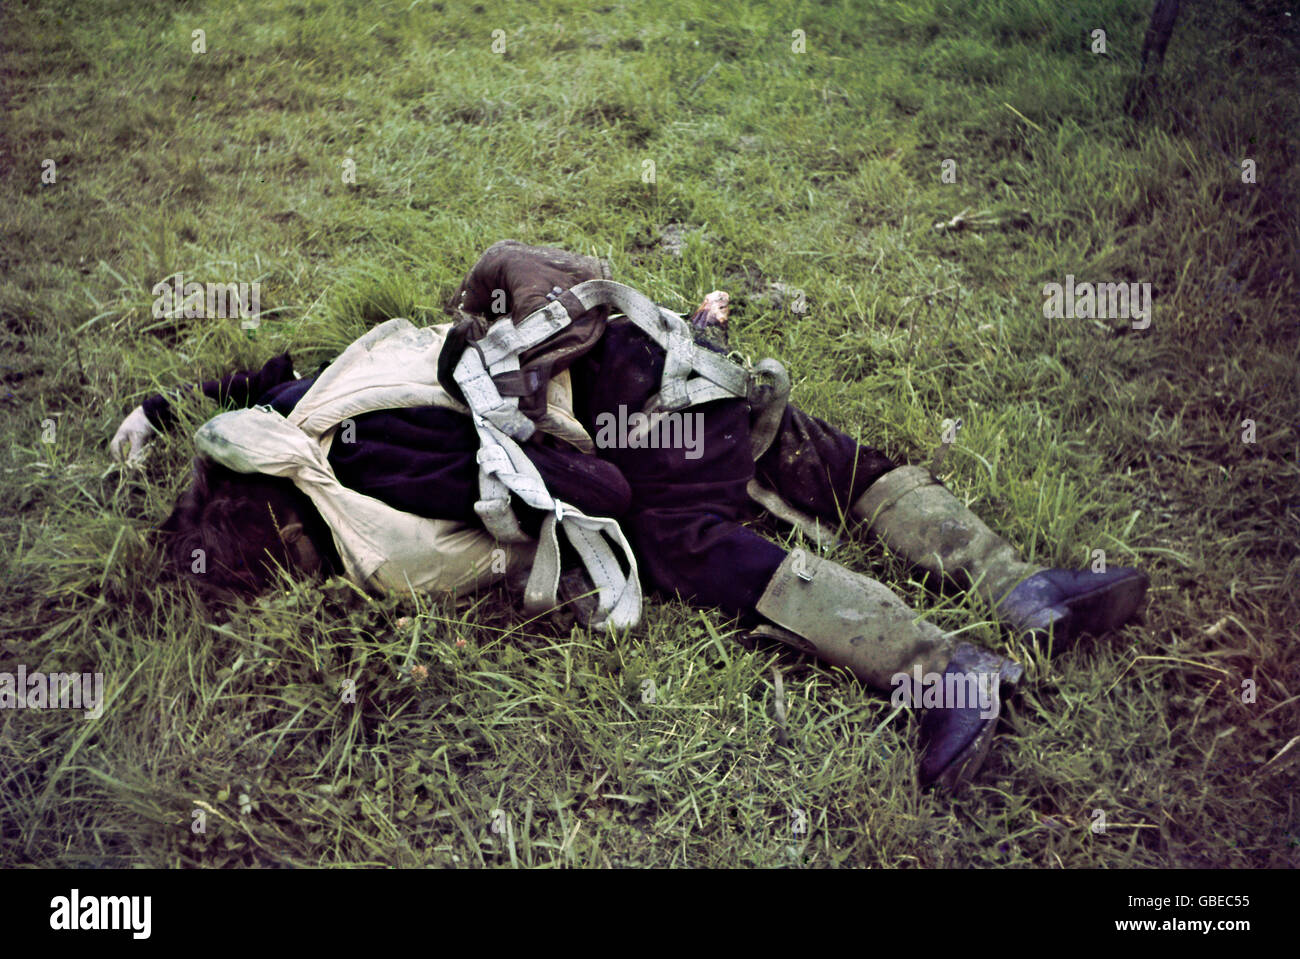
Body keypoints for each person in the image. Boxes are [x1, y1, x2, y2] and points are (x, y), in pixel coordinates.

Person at [113, 241, 1148, 790]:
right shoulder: (315, 397)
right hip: (663, 351)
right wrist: (157, 415)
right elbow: (259, 375)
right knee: (824, 456)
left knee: (687, 543)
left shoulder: (369, 472)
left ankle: (946, 671)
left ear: (287, 528)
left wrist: (548, 562)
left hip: (645, 415)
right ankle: (1026, 585)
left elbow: (595, 495)